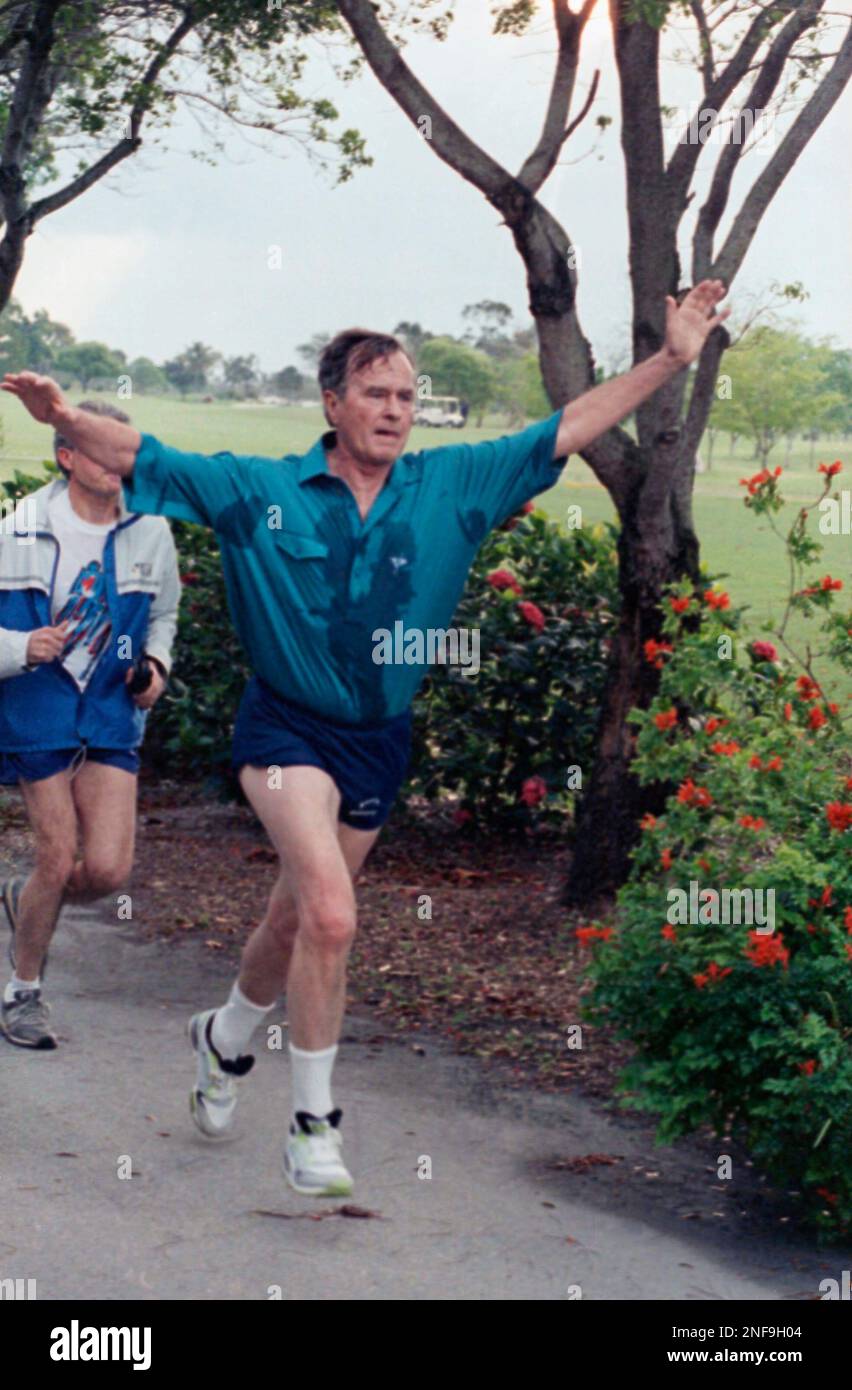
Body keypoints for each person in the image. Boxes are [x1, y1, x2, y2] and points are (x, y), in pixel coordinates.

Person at [1, 279, 730, 1192]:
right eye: (376, 393)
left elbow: (568, 428)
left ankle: (224, 1038)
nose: (395, 410)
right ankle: (314, 1125)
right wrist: (62, 413)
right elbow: (148, 454)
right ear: (333, 403)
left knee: (293, 915)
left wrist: (670, 359)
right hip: (282, 731)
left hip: (378, 738)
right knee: (334, 914)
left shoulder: (454, 483)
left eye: (406, 396)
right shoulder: (258, 490)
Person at [0, 400, 180, 1049]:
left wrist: (155, 668)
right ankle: (23, 993)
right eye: (99, 449)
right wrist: (23, 649)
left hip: (110, 708)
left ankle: (28, 904)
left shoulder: (151, 529)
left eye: (123, 449)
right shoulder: (16, 528)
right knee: (58, 853)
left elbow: (164, 618)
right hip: (36, 706)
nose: (116, 463)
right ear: (67, 456)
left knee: (105, 870)